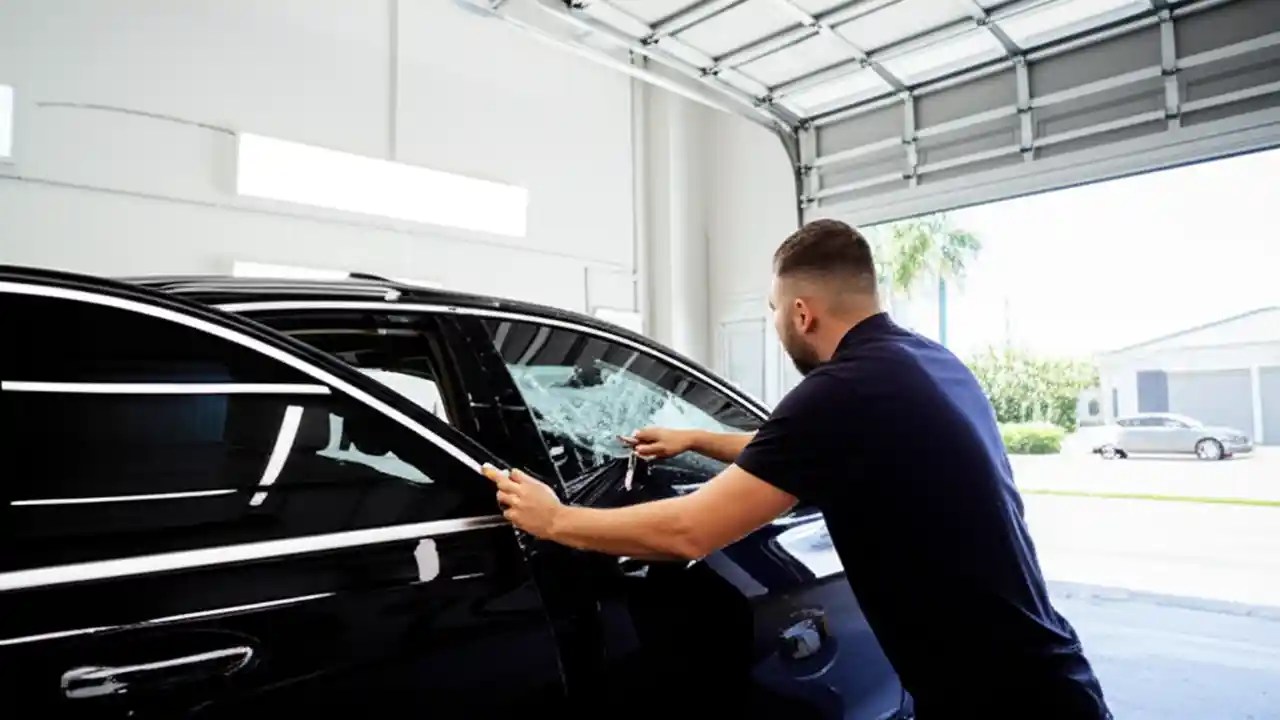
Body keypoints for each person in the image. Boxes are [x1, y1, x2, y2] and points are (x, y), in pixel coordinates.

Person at [482, 218, 1112, 718]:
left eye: (777, 311)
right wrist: (698, 439)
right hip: (1039, 672)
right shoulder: (923, 363)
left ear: (802, 312)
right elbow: (805, 449)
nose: (780, 324)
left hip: (999, 699)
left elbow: (689, 533)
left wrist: (556, 519)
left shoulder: (840, 392)